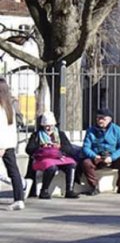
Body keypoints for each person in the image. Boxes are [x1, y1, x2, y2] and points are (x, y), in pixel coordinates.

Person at [26, 111, 79, 199]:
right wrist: (42, 147)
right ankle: (44, 191)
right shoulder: (36, 135)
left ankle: (69, 190)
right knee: (51, 167)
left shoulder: (60, 134)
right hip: (42, 159)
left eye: (51, 126)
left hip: (59, 157)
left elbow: (69, 149)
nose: (48, 128)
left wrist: (59, 147)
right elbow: (29, 149)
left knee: (72, 164)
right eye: (46, 126)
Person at [80, 107, 120, 195]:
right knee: (86, 163)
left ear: (109, 119)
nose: (100, 121)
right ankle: (94, 187)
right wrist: (94, 156)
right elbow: (85, 148)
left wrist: (112, 157)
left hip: (112, 156)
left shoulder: (117, 130)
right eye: (98, 118)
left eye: (102, 118)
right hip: (97, 157)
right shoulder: (91, 131)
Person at [0, 78, 25, 210]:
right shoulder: (9, 107)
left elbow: (2, 128)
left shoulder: (2, 109)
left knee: (12, 171)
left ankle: (19, 197)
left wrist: (2, 145)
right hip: (9, 143)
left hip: (3, 144)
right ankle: (19, 198)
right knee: (13, 171)